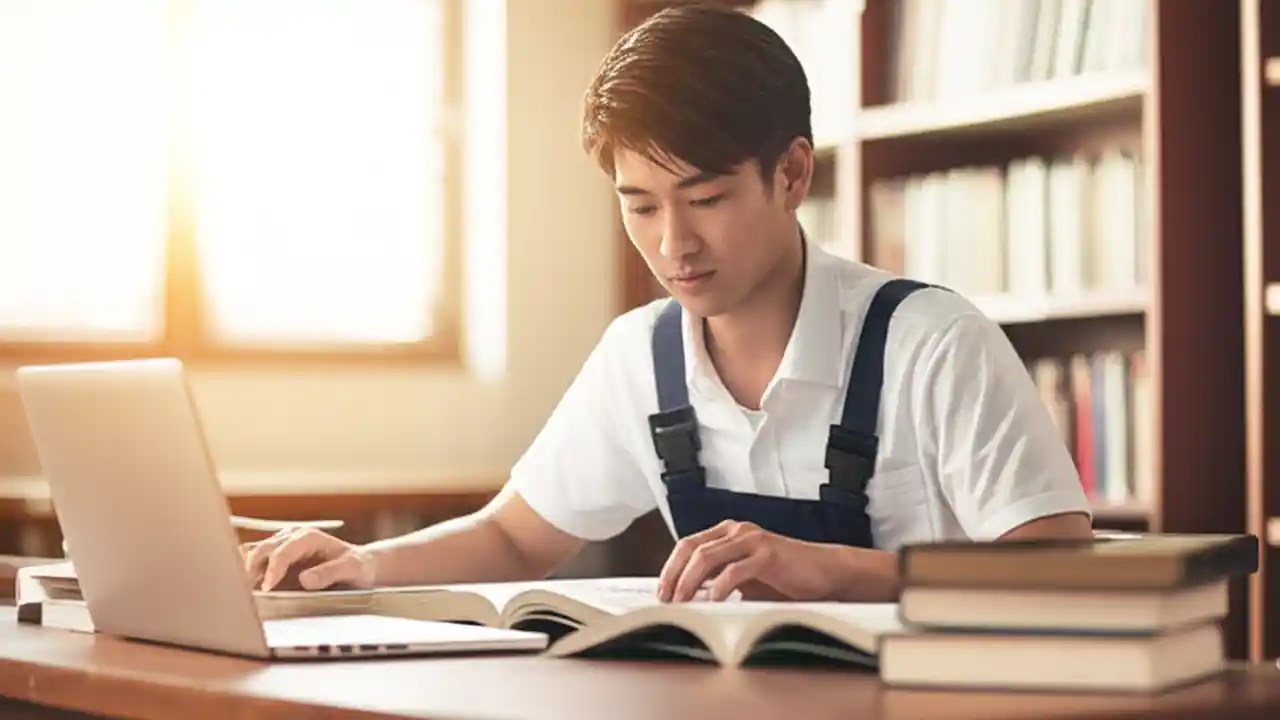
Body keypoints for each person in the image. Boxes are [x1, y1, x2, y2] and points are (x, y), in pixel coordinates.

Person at [244, 4, 1092, 605]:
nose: (672, 244)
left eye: (707, 199)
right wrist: (362, 564)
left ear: (792, 174)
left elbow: (1061, 568)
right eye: (640, 204)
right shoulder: (640, 356)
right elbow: (514, 539)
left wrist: (835, 571)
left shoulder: (934, 344)